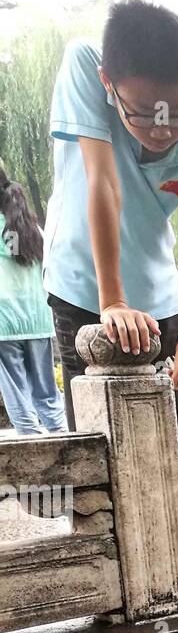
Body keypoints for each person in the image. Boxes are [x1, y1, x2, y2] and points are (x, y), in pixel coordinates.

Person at [43, 0, 178, 429]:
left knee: (169, 438)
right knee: (96, 446)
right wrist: (112, 302)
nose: (162, 130)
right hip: (85, 292)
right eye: (143, 114)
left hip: (161, 303)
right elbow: (103, 182)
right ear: (109, 84)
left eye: (177, 112)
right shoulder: (86, 64)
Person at [0, 169, 66, 436]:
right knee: (46, 390)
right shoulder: (34, 228)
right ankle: (63, 439)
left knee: (16, 390)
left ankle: (32, 445)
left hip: (5, 322)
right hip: (38, 318)